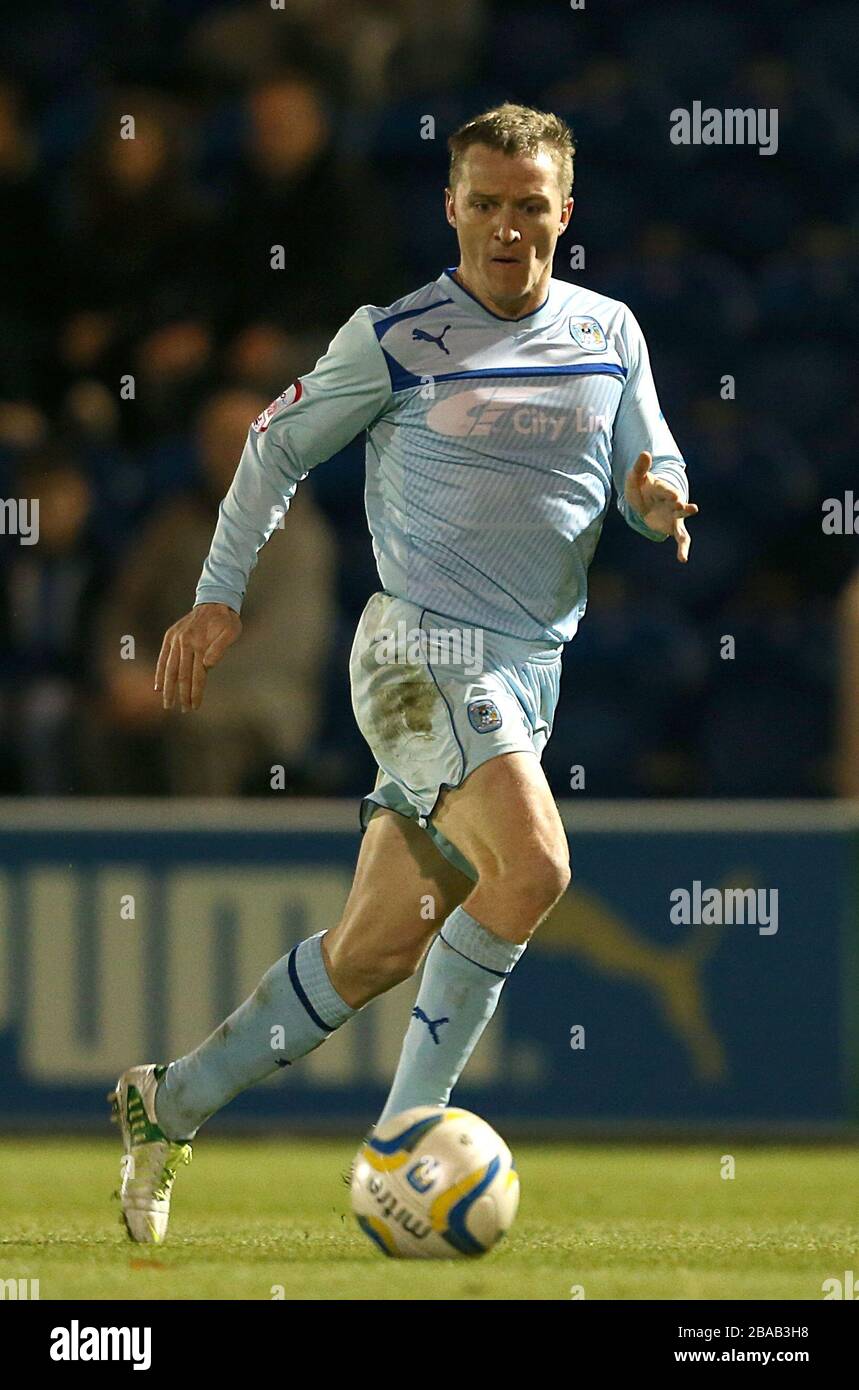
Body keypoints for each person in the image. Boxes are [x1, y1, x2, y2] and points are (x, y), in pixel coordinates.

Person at [110, 103, 696, 1244]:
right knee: (530, 869)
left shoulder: (610, 330)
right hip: (418, 649)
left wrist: (655, 493)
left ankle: (163, 1099)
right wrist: (221, 593)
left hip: (528, 674)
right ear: (451, 206)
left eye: (531, 206)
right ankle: (401, 1147)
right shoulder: (395, 335)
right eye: (485, 203)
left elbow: (647, 453)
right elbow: (277, 444)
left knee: (377, 947)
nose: (507, 228)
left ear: (564, 212)